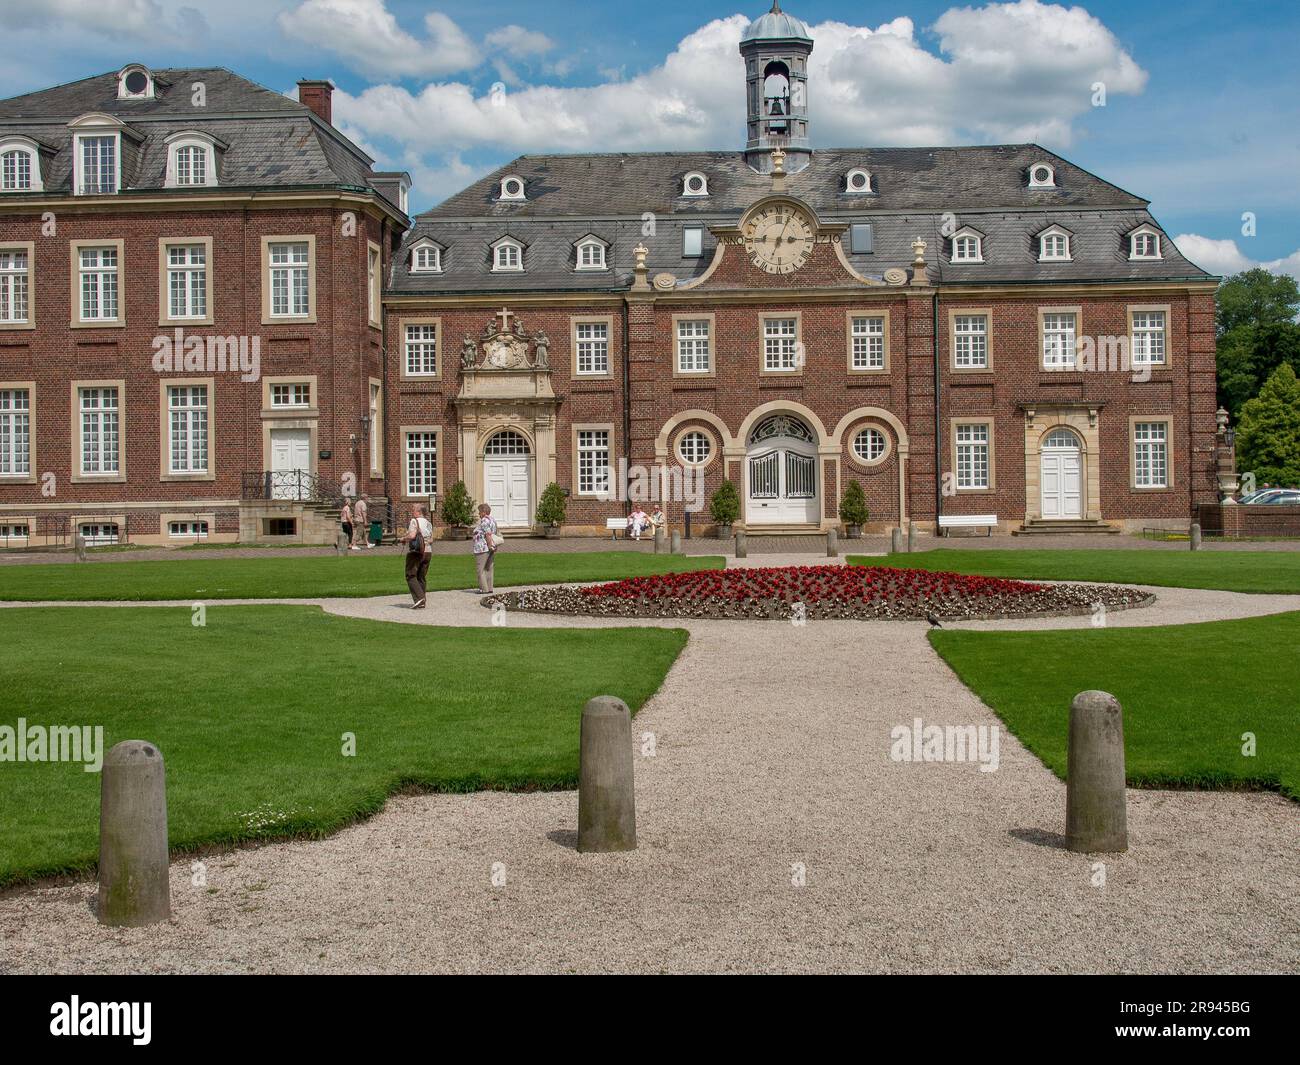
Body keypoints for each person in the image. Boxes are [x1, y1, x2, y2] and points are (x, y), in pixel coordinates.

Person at [397, 502, 433, 608]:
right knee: (421, 576)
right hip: (428, 552)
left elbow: (412, 535)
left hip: (417, 552)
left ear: (418, 512)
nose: (413, 512)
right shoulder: (428, 523)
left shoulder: (414, 521)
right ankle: (422, 600)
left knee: (411, 575)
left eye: (414, 510)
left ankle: (419, 598)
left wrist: (403, 539)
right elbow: (431, 539)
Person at [472, 503, 500, 593]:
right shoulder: (493, 520)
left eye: (479, 512)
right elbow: (495, 534)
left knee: (480, 569)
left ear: (484, 512)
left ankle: (484, 589)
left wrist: (489, 545)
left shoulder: (484, 520)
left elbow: (488, 534)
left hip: (482, 548)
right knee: (489, 568)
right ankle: (489, 588)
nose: (479, 514)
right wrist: (494, 546)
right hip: (491, 547)